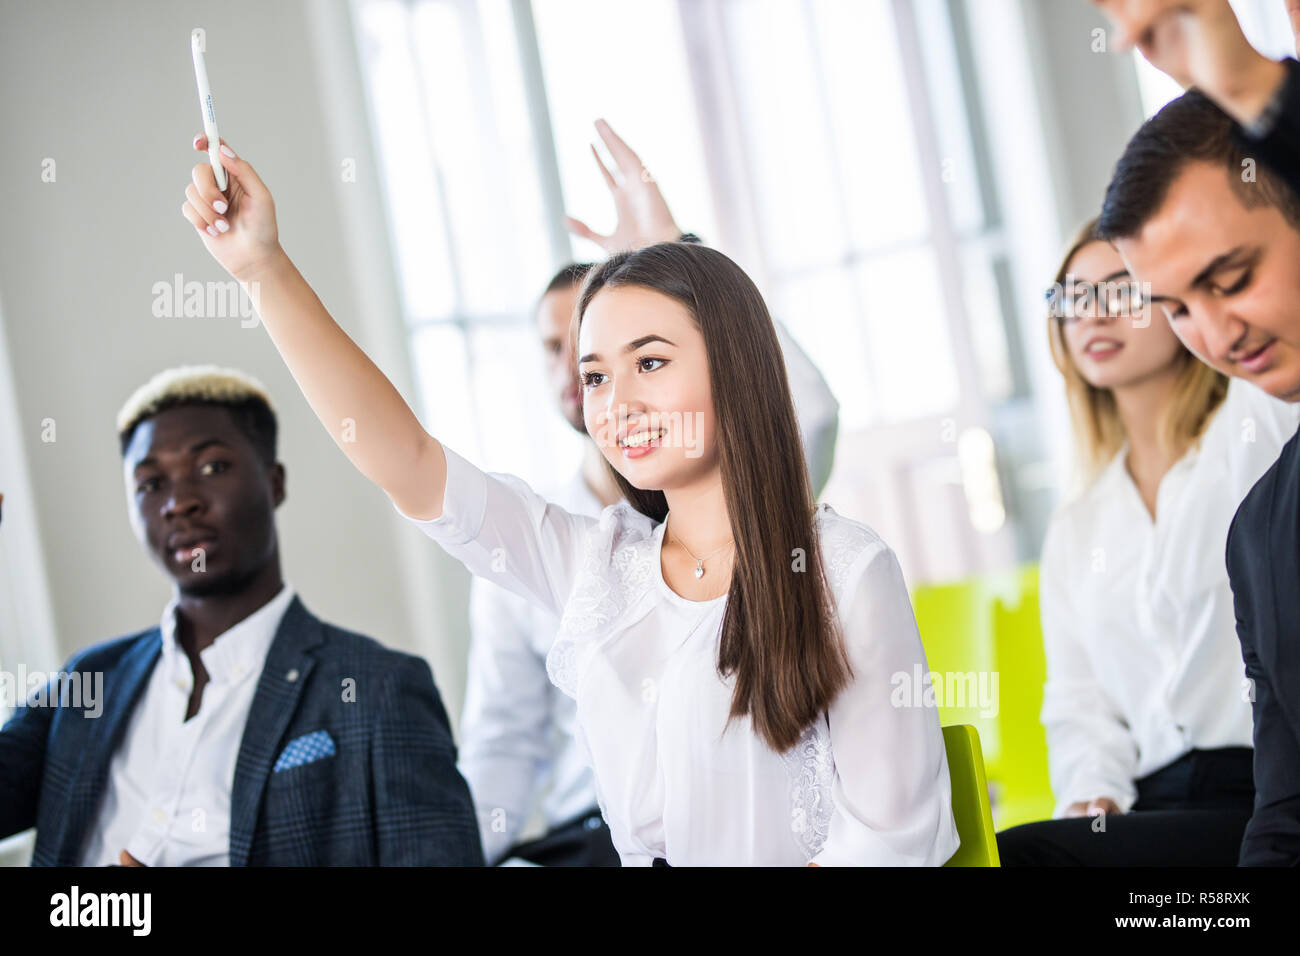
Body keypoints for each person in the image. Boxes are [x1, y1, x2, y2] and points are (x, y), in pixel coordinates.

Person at [178, 135, 958, 866]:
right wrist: (263, 270)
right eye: (594, 376)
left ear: (736, 367)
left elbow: (892, 842)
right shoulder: (596, 567)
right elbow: (407, 459)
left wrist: (674, 243)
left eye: (649, 362)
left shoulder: (846, 572)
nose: (614, 402)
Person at [461, 121, 839, 866]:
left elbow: (810, 413)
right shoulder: (542, 539)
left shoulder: (749, 509)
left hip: (749, 824)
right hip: (590, 836)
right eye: (565, 352)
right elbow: (503, 735)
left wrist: (678, 248)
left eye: (644, 356)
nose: (584, 371)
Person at [0, 366, 483, 866]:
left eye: (211, 467)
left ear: (274, 483)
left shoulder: (377, 688)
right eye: (150, 484)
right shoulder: (90, 681)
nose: (178, 503)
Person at [995, 218, 1299, 865]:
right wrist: (1091, 795)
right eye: (1074, 297)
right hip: (1149, 809)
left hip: (1266, 790)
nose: (1092, 316)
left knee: (1025, 858)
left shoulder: (1257, 423)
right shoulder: (1079, 525)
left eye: (1122, 292)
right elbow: (1079, 706)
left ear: (1178, 301)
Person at [1093, 0, 1300, 864]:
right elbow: (1285, 811)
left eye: (1232, 277)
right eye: (1177, 308)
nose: (1215, 336)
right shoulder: (1258, 531)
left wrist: (1251, 82)